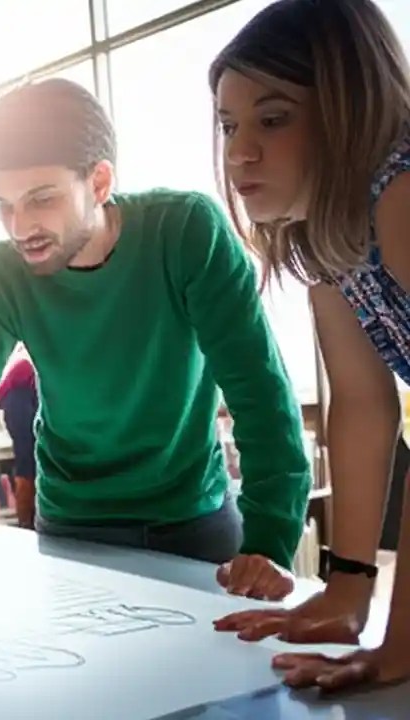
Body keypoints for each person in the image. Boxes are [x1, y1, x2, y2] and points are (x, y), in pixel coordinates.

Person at [0, 77, 313, 608]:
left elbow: (260, 391)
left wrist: (270, 541)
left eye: (42, 199)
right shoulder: (2, 276)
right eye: (5, 205)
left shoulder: (187, 233)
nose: (21, 227)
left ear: (100, 181)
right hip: (72, 528)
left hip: (195, 521)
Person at [206, 0, 410, 693]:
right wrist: (348, 591)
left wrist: (402, 641)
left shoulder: (401, 194)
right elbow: (361, 403)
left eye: (274, 118)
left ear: (349, 108)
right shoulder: (328, 236)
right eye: (229, 126)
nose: (240, 151)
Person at [0, 351, 37, 528]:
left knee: (28, 462)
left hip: (18, 393)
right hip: (18, 393)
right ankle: (26, 524)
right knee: (27, 463)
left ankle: (28, 523)